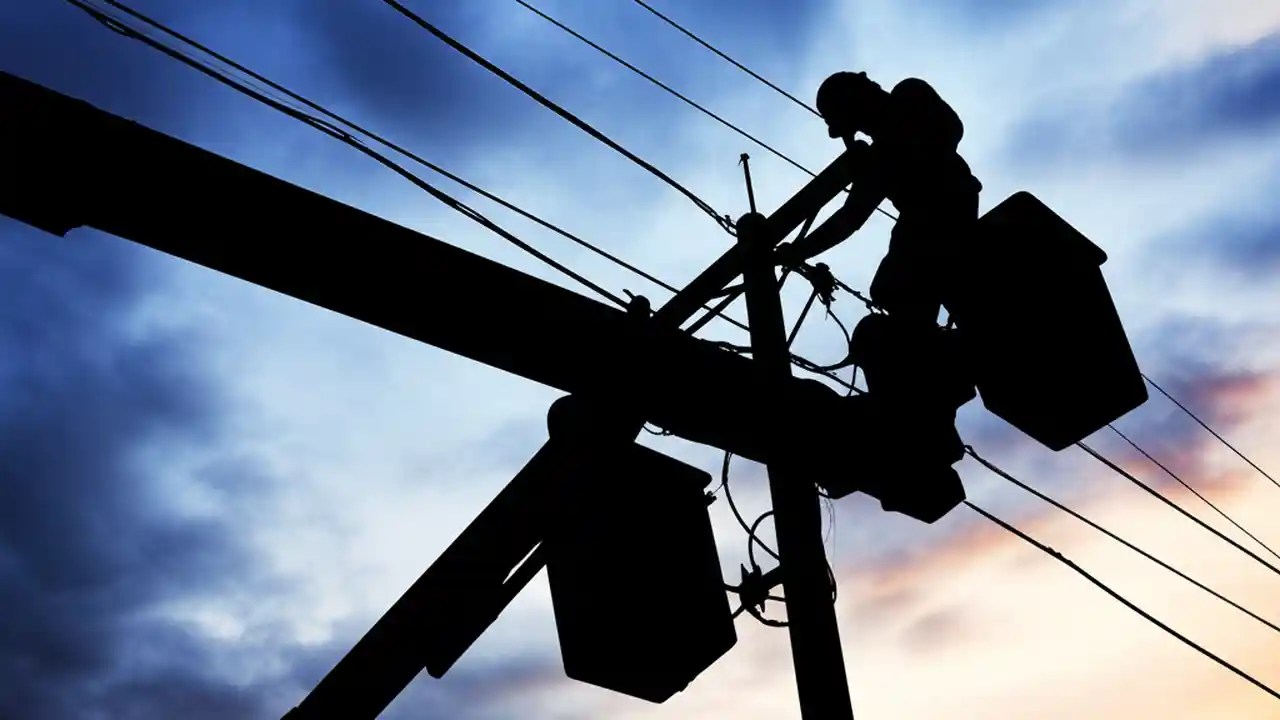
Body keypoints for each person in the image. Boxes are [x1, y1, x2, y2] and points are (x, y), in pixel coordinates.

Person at [777, 71, 980, 515]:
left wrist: (883, 153)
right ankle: (915, 416)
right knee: (891, 311)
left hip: (947, 224)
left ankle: (920, 415)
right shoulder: (881, 159)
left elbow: (949, 131)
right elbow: (852, 216)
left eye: (845, 119)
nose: (849, 131)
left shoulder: (909, 98)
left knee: (898, 303)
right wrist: (800, 249)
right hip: (923, 233)